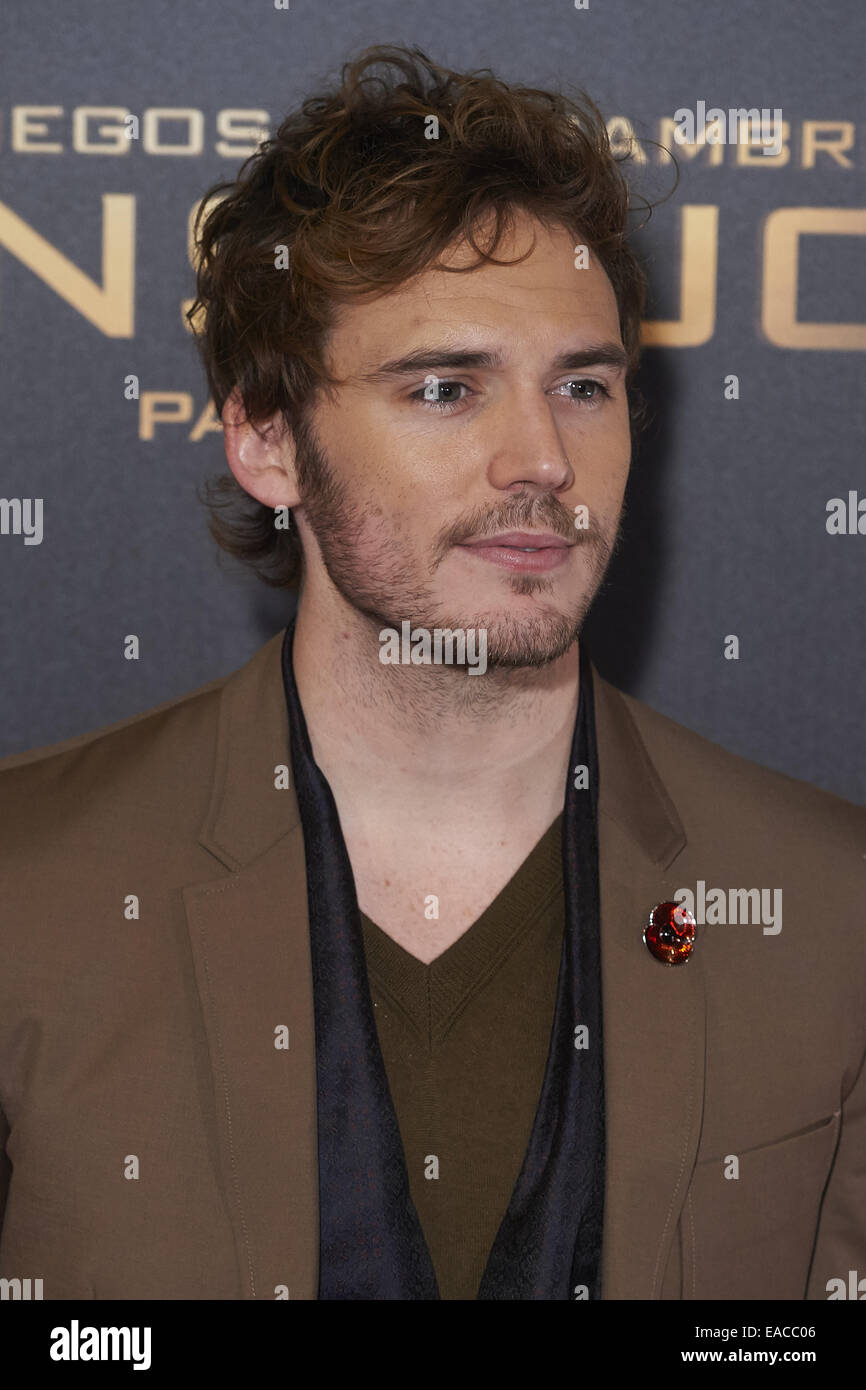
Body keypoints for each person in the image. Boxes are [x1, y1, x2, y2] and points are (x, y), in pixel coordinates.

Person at [0, 45, 863, 1302]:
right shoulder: (28, 892)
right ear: (266, 440)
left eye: (582, 385)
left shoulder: (828, 914)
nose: (540, 460)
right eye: (446, 387)